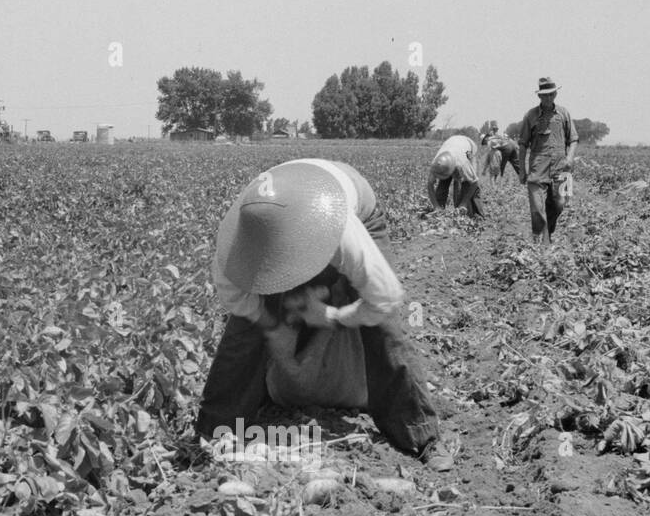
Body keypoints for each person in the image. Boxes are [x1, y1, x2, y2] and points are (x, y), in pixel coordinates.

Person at [196, 159, 452, 469]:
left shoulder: (343, 231)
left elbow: (384, 300)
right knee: (243, 333)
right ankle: (214, 429)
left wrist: (332, 316)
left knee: (383, 330)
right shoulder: (233, 251)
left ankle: (421, 434)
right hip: (289, 199)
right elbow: (245, 310)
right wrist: (273, 328)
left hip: (350, 203)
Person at [516, 76, 578, 242]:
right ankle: (542, 241)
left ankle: (547, 233)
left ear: (556, 94)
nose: (548, 97)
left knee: (560, 203)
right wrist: (522, 170)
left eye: (551, 94)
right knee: (537, 208)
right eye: (544, 95)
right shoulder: (530, 115)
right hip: (538, 168)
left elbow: (573, 139)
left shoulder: (564, 113)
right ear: (539, 96)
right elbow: (522, 144)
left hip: (562, 167)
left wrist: (570, 159)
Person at [427, 134, 485, 218]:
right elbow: (430, 185)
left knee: (468, 183)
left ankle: (477, 213)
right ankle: (439, 210)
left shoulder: (463, 163)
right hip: (451, 144)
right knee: (443, 183)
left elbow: (474, 182)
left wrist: (464, 203)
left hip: (468, 149)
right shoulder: (436, 164)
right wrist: (436, 206)